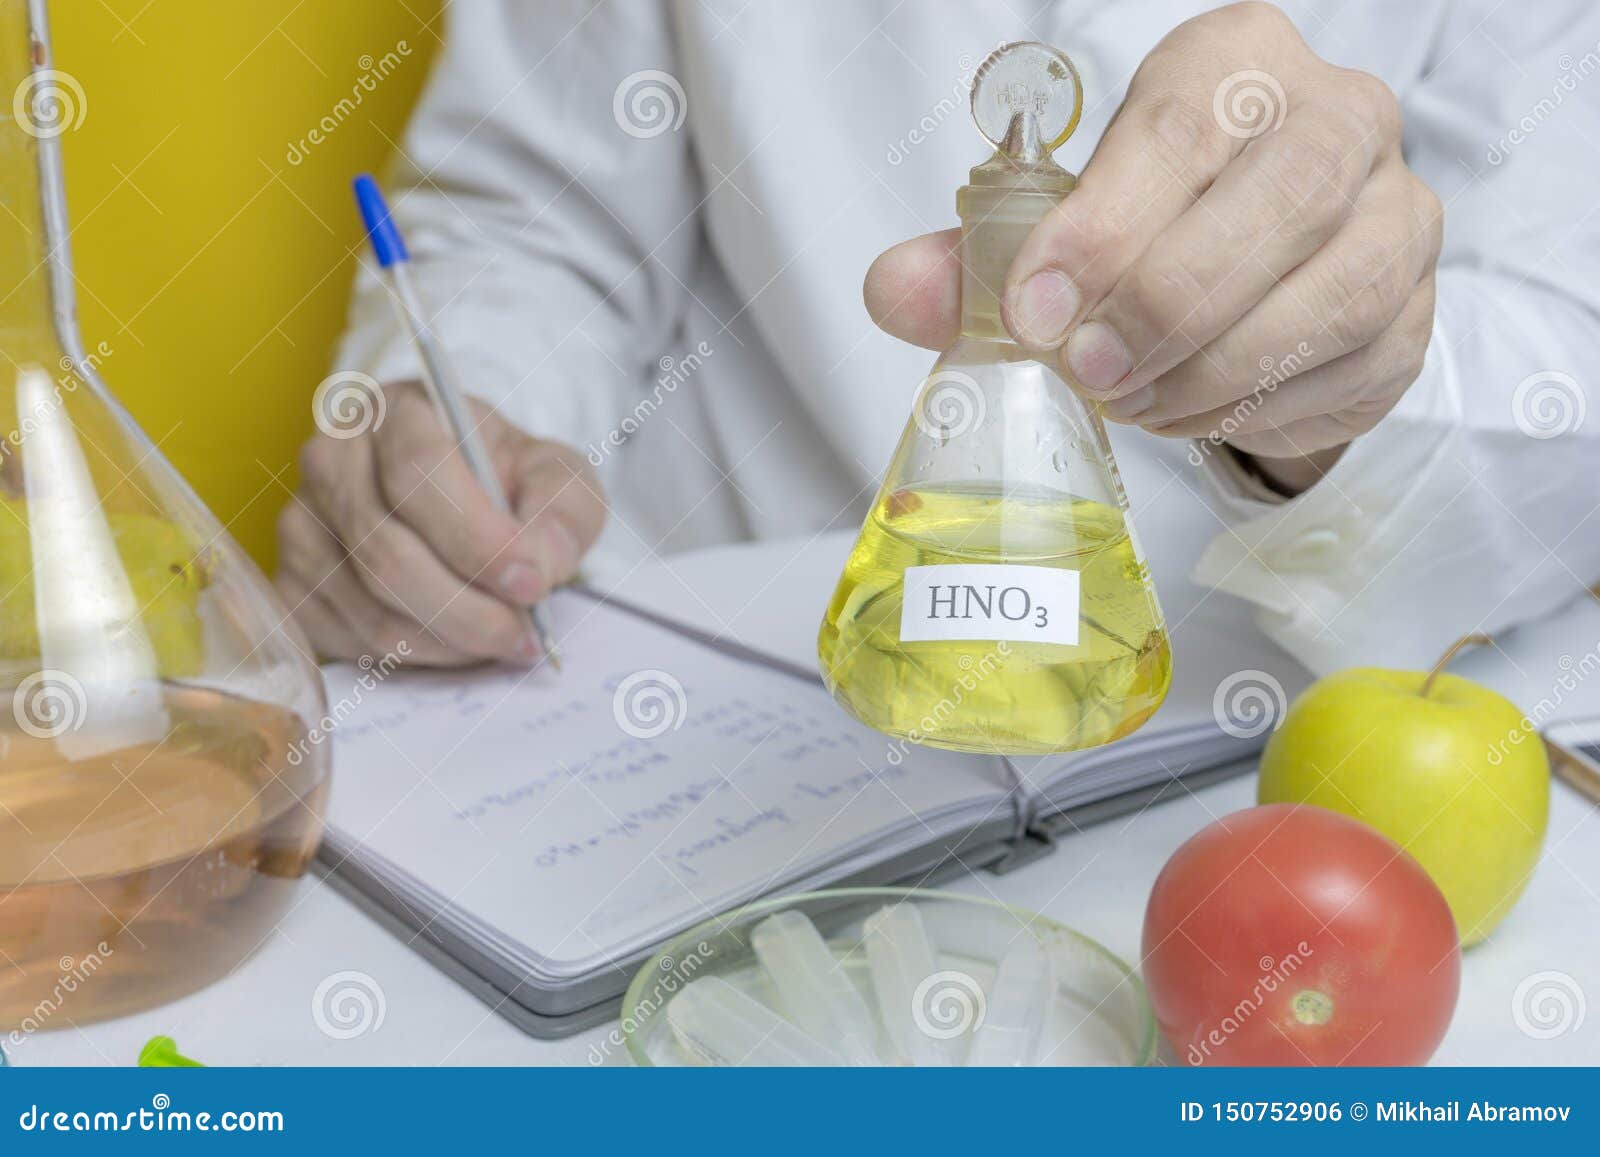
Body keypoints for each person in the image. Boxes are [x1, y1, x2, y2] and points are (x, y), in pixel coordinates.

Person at [275, 0, 1600, 676]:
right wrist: (459, 433)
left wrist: (1331, 401)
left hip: (1239, 724)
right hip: (700, 705)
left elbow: (1564, 353)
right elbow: (540, 219)